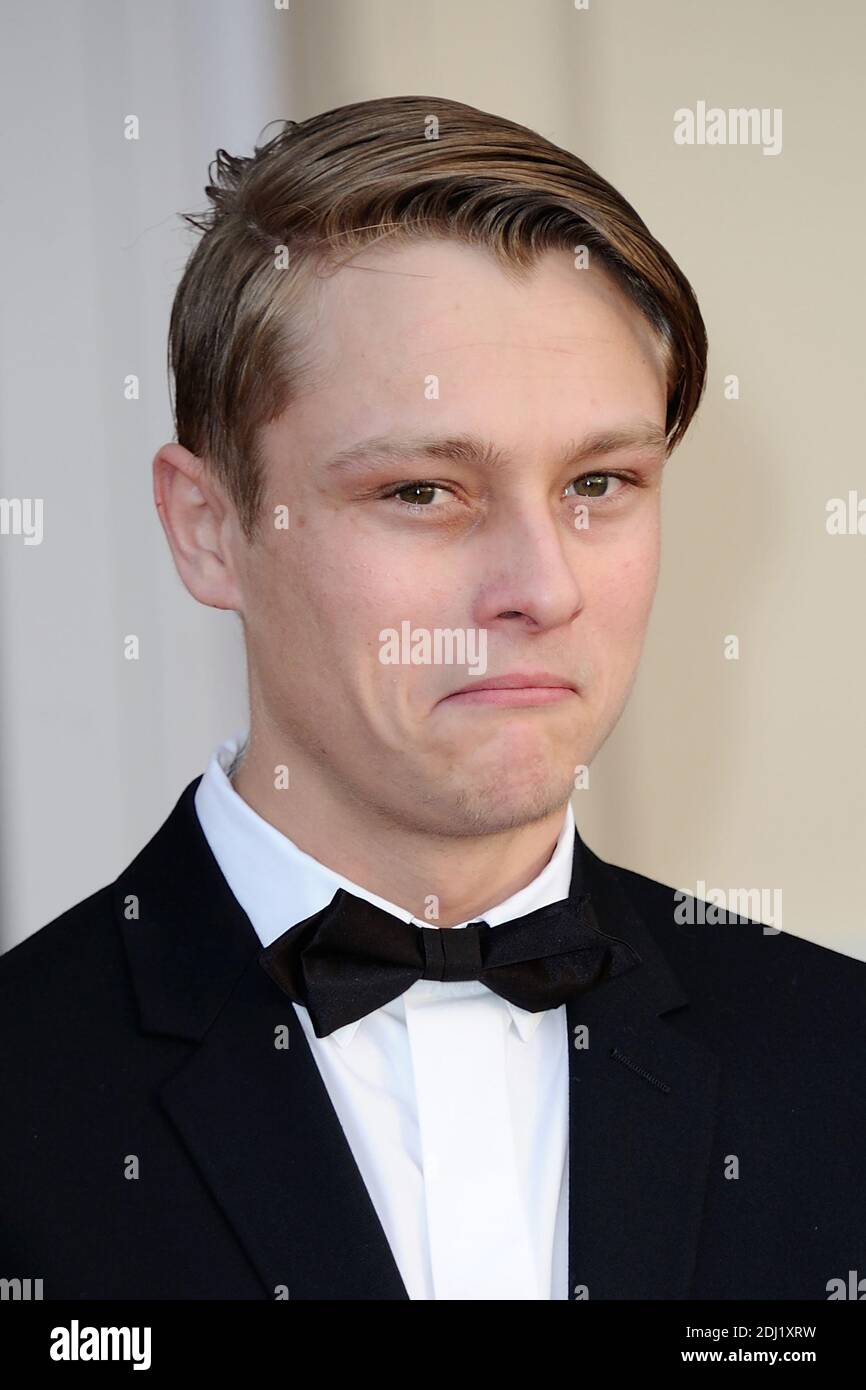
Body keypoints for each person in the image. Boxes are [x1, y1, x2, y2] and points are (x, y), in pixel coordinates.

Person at [1, 94, 863, 1302]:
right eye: (421, 490)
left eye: (599, 481)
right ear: (209, 530)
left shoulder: (842, 1065)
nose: (540, 587)